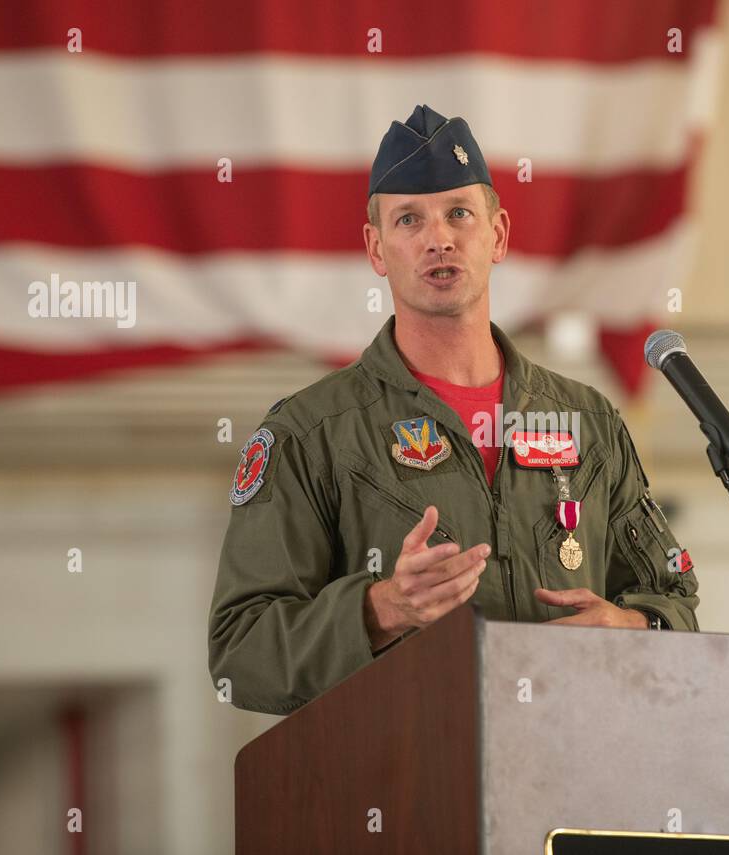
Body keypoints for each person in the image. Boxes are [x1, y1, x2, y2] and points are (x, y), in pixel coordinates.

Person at [208, 104, 699, 715]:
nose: (438, 238)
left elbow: (672, 597)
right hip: (402, 790)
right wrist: (382, 609)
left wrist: (630, 630)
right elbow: (240, 653)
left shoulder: (587, 420)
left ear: (497, 235)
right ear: (376, 249)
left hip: (574, 777)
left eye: (459, 214)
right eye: (409, 220)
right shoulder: (311, 434)